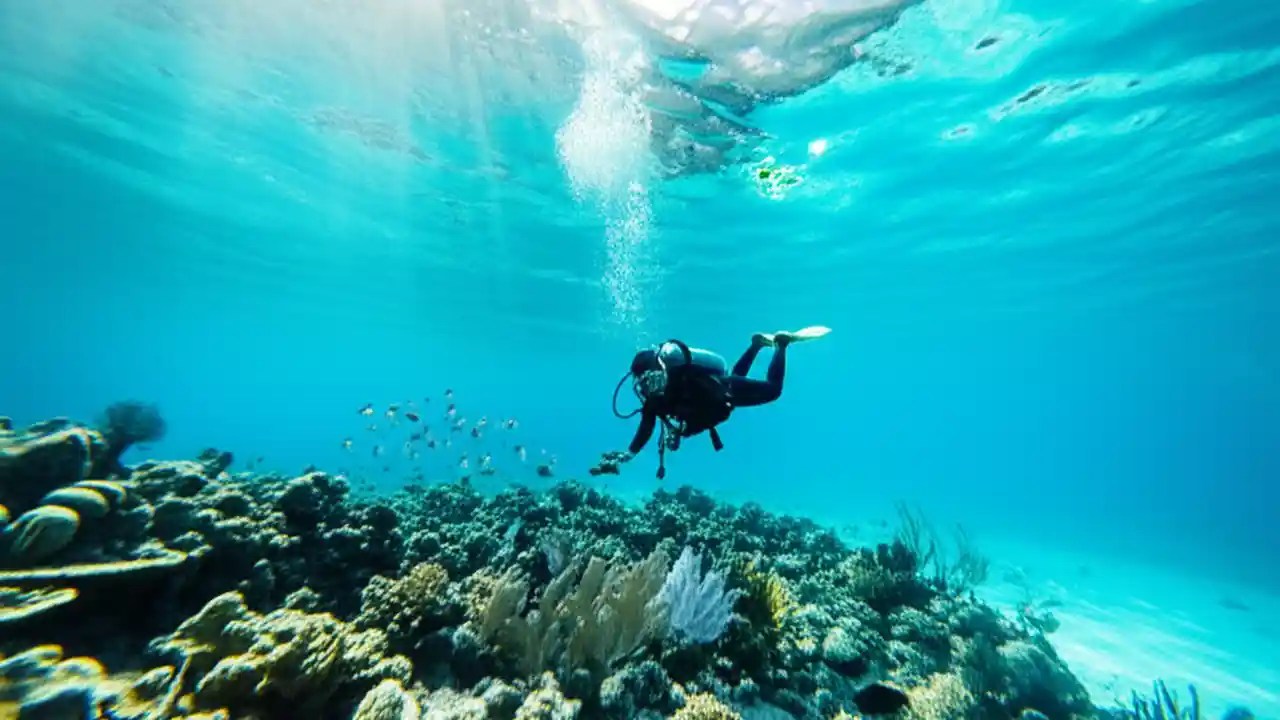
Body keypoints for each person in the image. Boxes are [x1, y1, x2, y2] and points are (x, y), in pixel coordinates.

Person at [611, 326, 830, 478]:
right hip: (720, 397)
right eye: (645, 382)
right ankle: (755, 345)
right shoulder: (653, 399)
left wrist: (679, 430)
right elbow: (646, 427)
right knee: (733, 389)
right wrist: (628, 455)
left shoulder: (674, 378)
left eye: (651, 378)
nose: (650, 385)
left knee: (772, 391)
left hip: (718, 390)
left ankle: (781, 344)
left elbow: (702, 398)